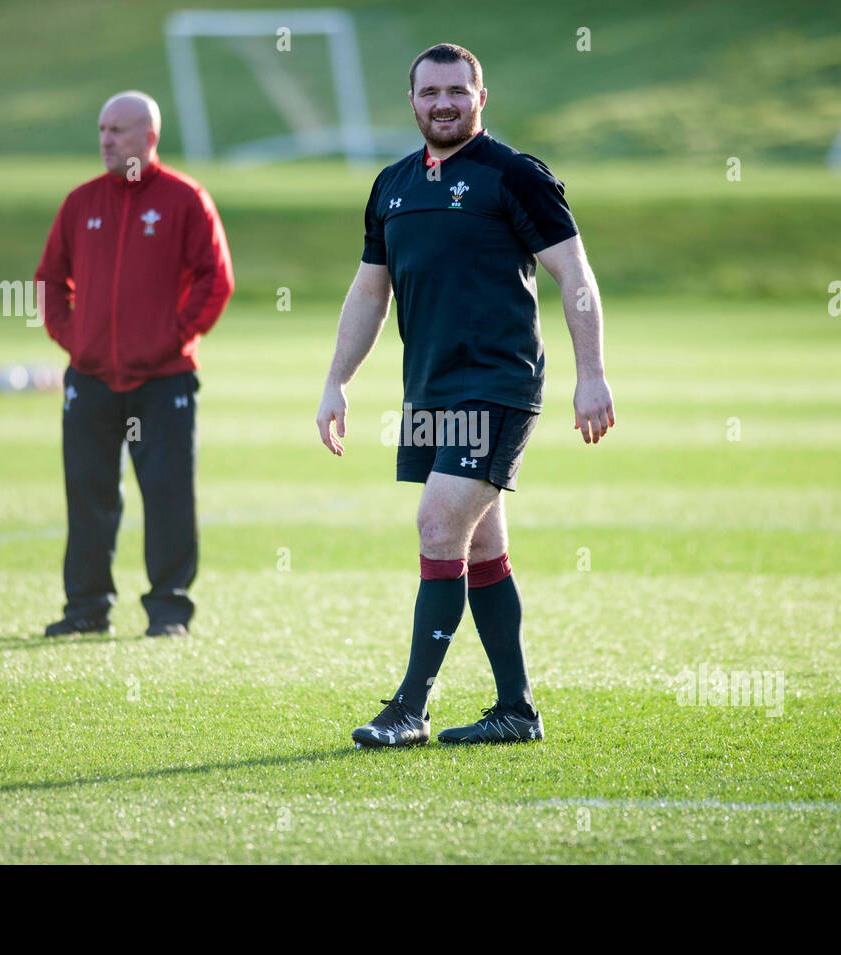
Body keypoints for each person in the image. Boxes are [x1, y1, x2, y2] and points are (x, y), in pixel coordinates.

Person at [315, 44, 614, 746]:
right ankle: (516, 708)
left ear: (482, 97)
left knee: (437, 524)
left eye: (457, 90)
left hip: (496, 381)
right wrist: (336, 380)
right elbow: (369, 290)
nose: (442, 103)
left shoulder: (514, 175)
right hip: (429, 389)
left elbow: (575, 273)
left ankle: (409, 707)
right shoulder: (391, 185)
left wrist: (592, 372)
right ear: (412, 100)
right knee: (478, 548)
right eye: (429, 92)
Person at [36, 90, 234, 638]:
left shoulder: (185, 199)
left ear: (149, 137)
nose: (105, 140)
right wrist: (75, 339)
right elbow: (51, 279)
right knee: (88, 491)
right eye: (101, 130)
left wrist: (171, 338)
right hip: (92, 378)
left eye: (117, 131)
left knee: (169, 493)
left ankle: (169, 611)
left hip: (164, 380)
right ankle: (86, 608)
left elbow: (216, 279)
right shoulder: (81, 203)